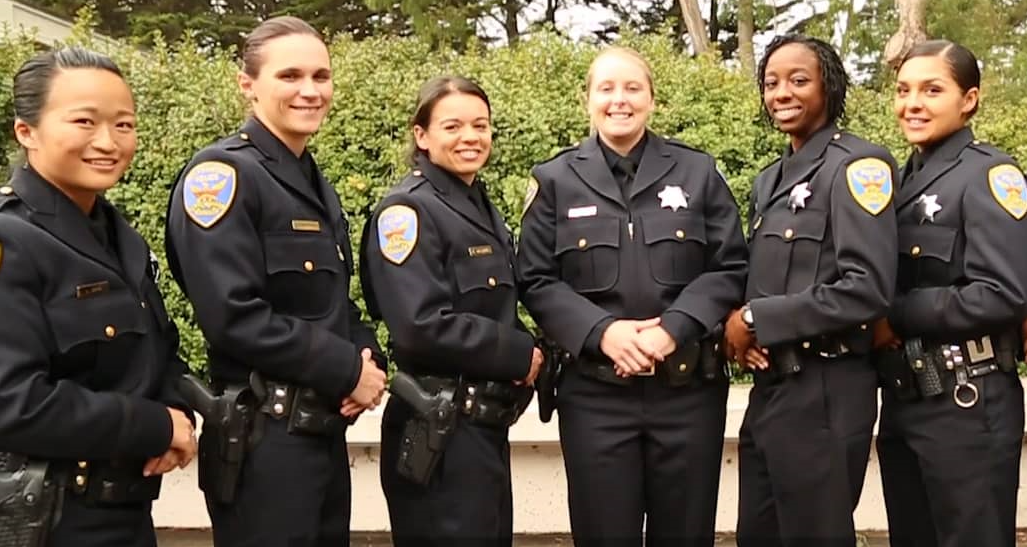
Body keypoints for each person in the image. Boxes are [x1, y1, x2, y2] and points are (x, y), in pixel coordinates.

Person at [164, 16, 387, 547]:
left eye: (321, 75)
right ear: (249, 84)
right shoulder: (222, 177)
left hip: (320, 435)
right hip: (264, 441)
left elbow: (332, 301)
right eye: (290, 76)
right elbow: (233, 315)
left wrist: (366, 357)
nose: (310, 90)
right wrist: (342, 369)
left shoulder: (310, 178)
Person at [518, 46, 748, 546]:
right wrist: (604, 333)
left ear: (651, 99)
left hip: (687, 394)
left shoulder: (698, 173)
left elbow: (730, 266)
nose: (618, 100)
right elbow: (535, 278)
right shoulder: (554, 180)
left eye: (632, 88)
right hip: (596, 398)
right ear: (588, 100)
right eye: (606, 89)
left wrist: (673, 329)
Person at [0, 47, 197, 547]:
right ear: (27, 132)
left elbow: (156, 353)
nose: (108, 142)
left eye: (124, 125)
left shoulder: (118, 237)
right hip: (51, 521)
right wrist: (154, 425)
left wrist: (180, 414)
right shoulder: (11, 242)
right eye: (84, 121)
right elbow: (14, 402)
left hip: (126, 515)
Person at [723, 34, 898, 546]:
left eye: (799, 80)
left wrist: (757, 319)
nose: (782, 93)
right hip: (773, 390)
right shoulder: (769, 180)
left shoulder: (858, 166)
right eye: (771, 82)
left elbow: (866, 290)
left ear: (830, 86)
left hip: (826, 389)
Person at [361, 76, 543, 546]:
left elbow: (497, 306)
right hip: (437, 427)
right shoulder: (407, 213)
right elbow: (419, 326)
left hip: (479, 427)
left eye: (480, 125)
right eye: (453, 126)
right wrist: (520, 353)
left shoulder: (478, 206)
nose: (470, 137)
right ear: (421, 136)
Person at [873, 40, 1027, 547]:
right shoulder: (898, 180)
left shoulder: (990, 175)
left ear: (969, 99)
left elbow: (1002, 294)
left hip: (969, 400)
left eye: (932, 90)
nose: (912, 103)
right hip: (906, 397)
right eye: (903, 90)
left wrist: (896, 313)